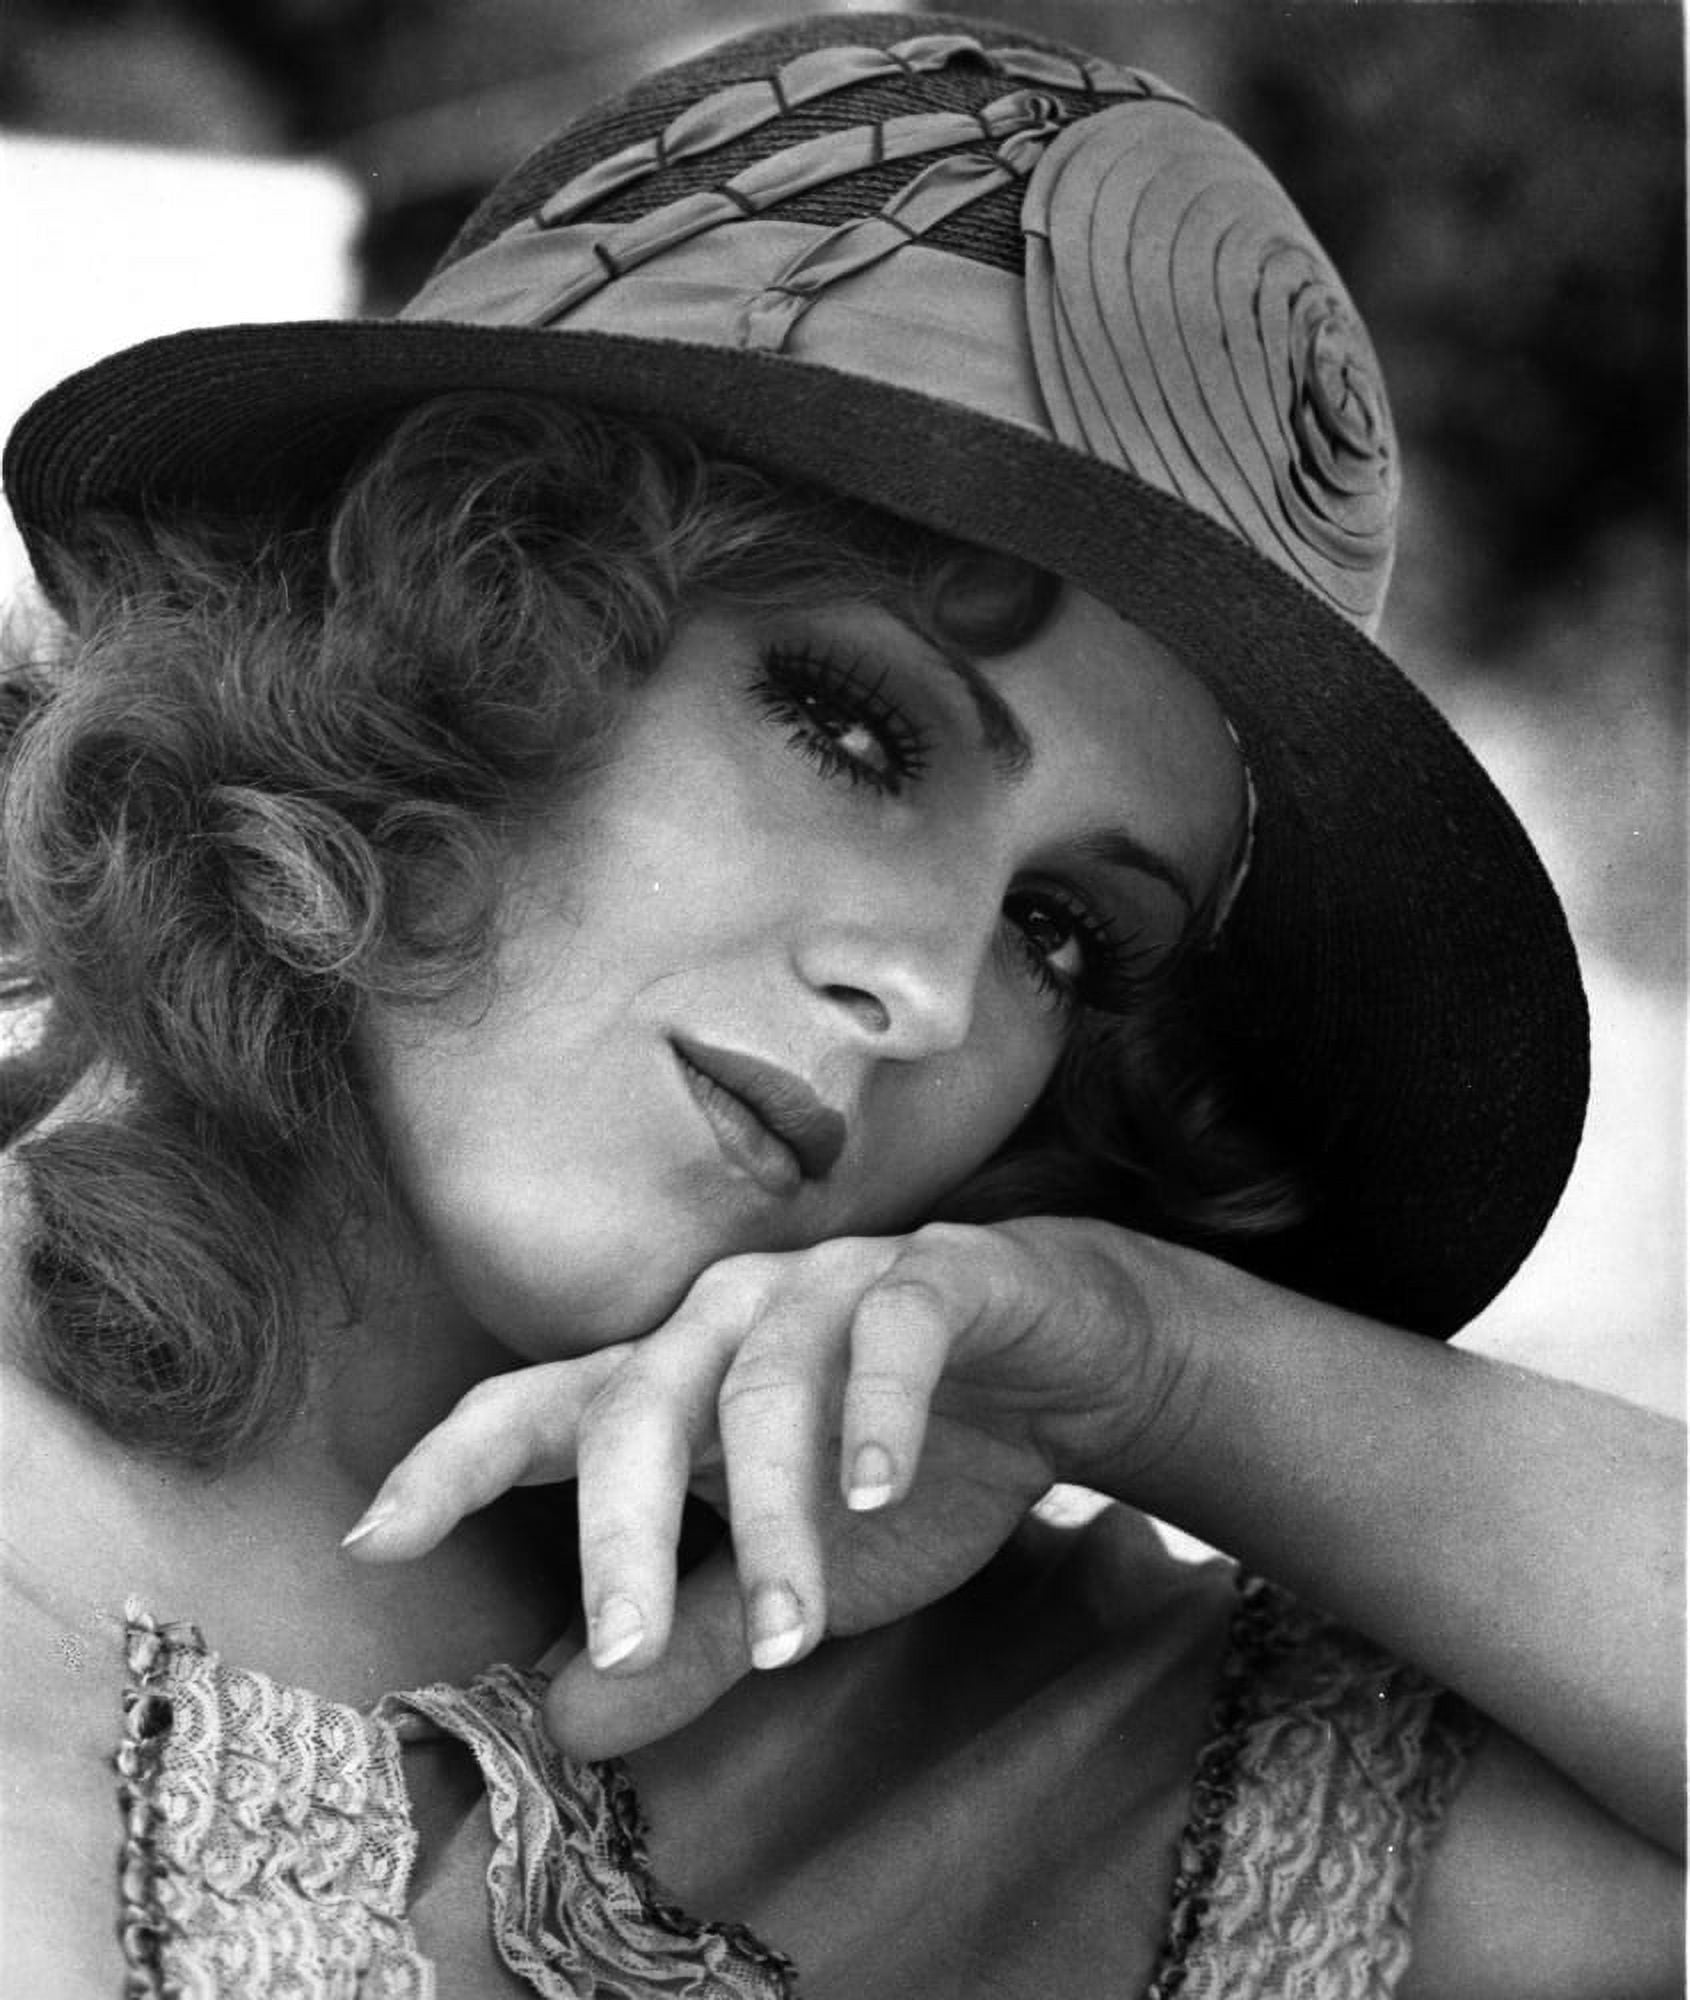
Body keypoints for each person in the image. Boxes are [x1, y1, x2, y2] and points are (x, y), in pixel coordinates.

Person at [0, 12, 1680, 1996]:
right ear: (436, 615)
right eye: (848, 721)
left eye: (1064, 931)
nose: (919, 986)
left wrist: (1155, 1366)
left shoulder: (1050, 1729)